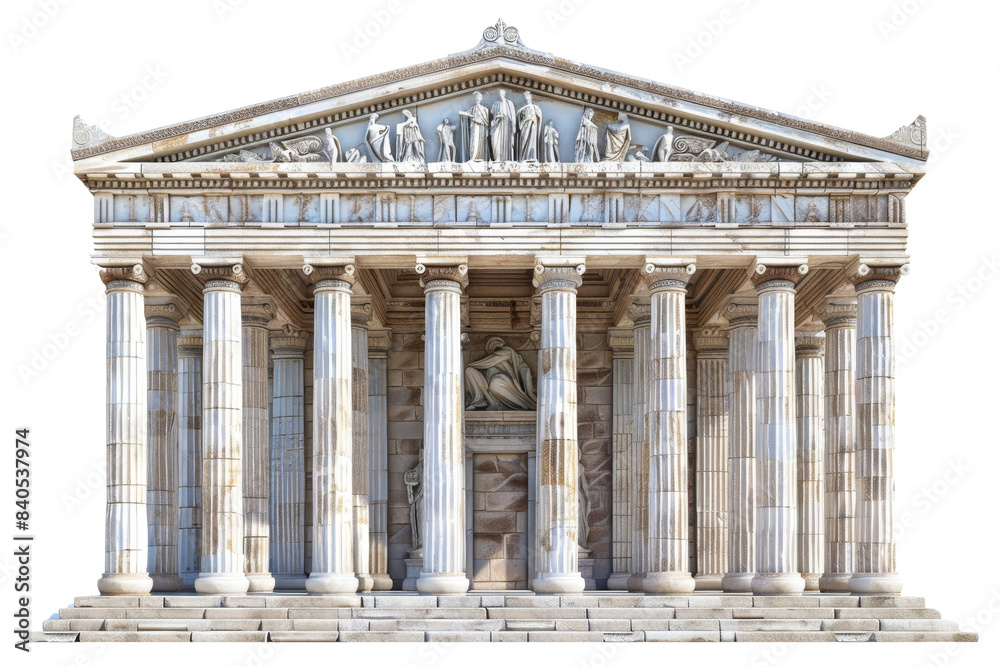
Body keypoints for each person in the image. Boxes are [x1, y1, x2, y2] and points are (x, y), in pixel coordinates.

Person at [465, 336, 536, 410]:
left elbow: (523, 368)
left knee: (495, 383)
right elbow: (483, 365)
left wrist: (530, 392)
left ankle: (523, 405)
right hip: (489, 387)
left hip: (504, 383)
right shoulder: (490, 358)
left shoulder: (507, 353)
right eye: (492, 343)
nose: (495, 345)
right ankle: (479, 399)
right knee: (469, 370)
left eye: (497, 342)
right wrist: (472, 366)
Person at [459, 92, 490, 161]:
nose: (477, 100)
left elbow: (486, 119)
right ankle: (473, 156)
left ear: (481, 99)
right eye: (476, 99)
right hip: (474, 126)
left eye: (478, 99)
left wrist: (479, 119)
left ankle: (480, 156)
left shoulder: (484, 109)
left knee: (481, 141)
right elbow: (468, 113)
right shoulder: (473, 108)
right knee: (474, 140)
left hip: (481, 127)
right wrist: (463, 113)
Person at [404, 449, 424, 552]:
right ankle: (422, 543)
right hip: (421, 498)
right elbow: (413, 478)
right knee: (422, 519)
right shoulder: (420, 468)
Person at [490, 89, 517, 161]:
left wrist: (505, 117)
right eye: (500, 93)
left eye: (502, 93)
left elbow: (512, 117)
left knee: (506, 141)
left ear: (505, 94)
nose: (501, 94)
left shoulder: (509, 103)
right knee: (495, 140)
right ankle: (497, 158)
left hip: (506, 126)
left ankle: (506, 159)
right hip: (497, 125)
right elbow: (493, 116)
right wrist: (497, 118)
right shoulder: (496, 103)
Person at [516, 91, 543, 162]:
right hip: (525, 126)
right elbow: (518, 117)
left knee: (532, 140)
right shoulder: (523, 109)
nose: (527, 100)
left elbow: (539, 115)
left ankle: (531, 156)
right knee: (524, 140)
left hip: (532, 125)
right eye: (526, 98)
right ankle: (524, 157)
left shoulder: (534, 107)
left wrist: (536, 116)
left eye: (528, 98)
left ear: (531, 99)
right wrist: (525, 120)